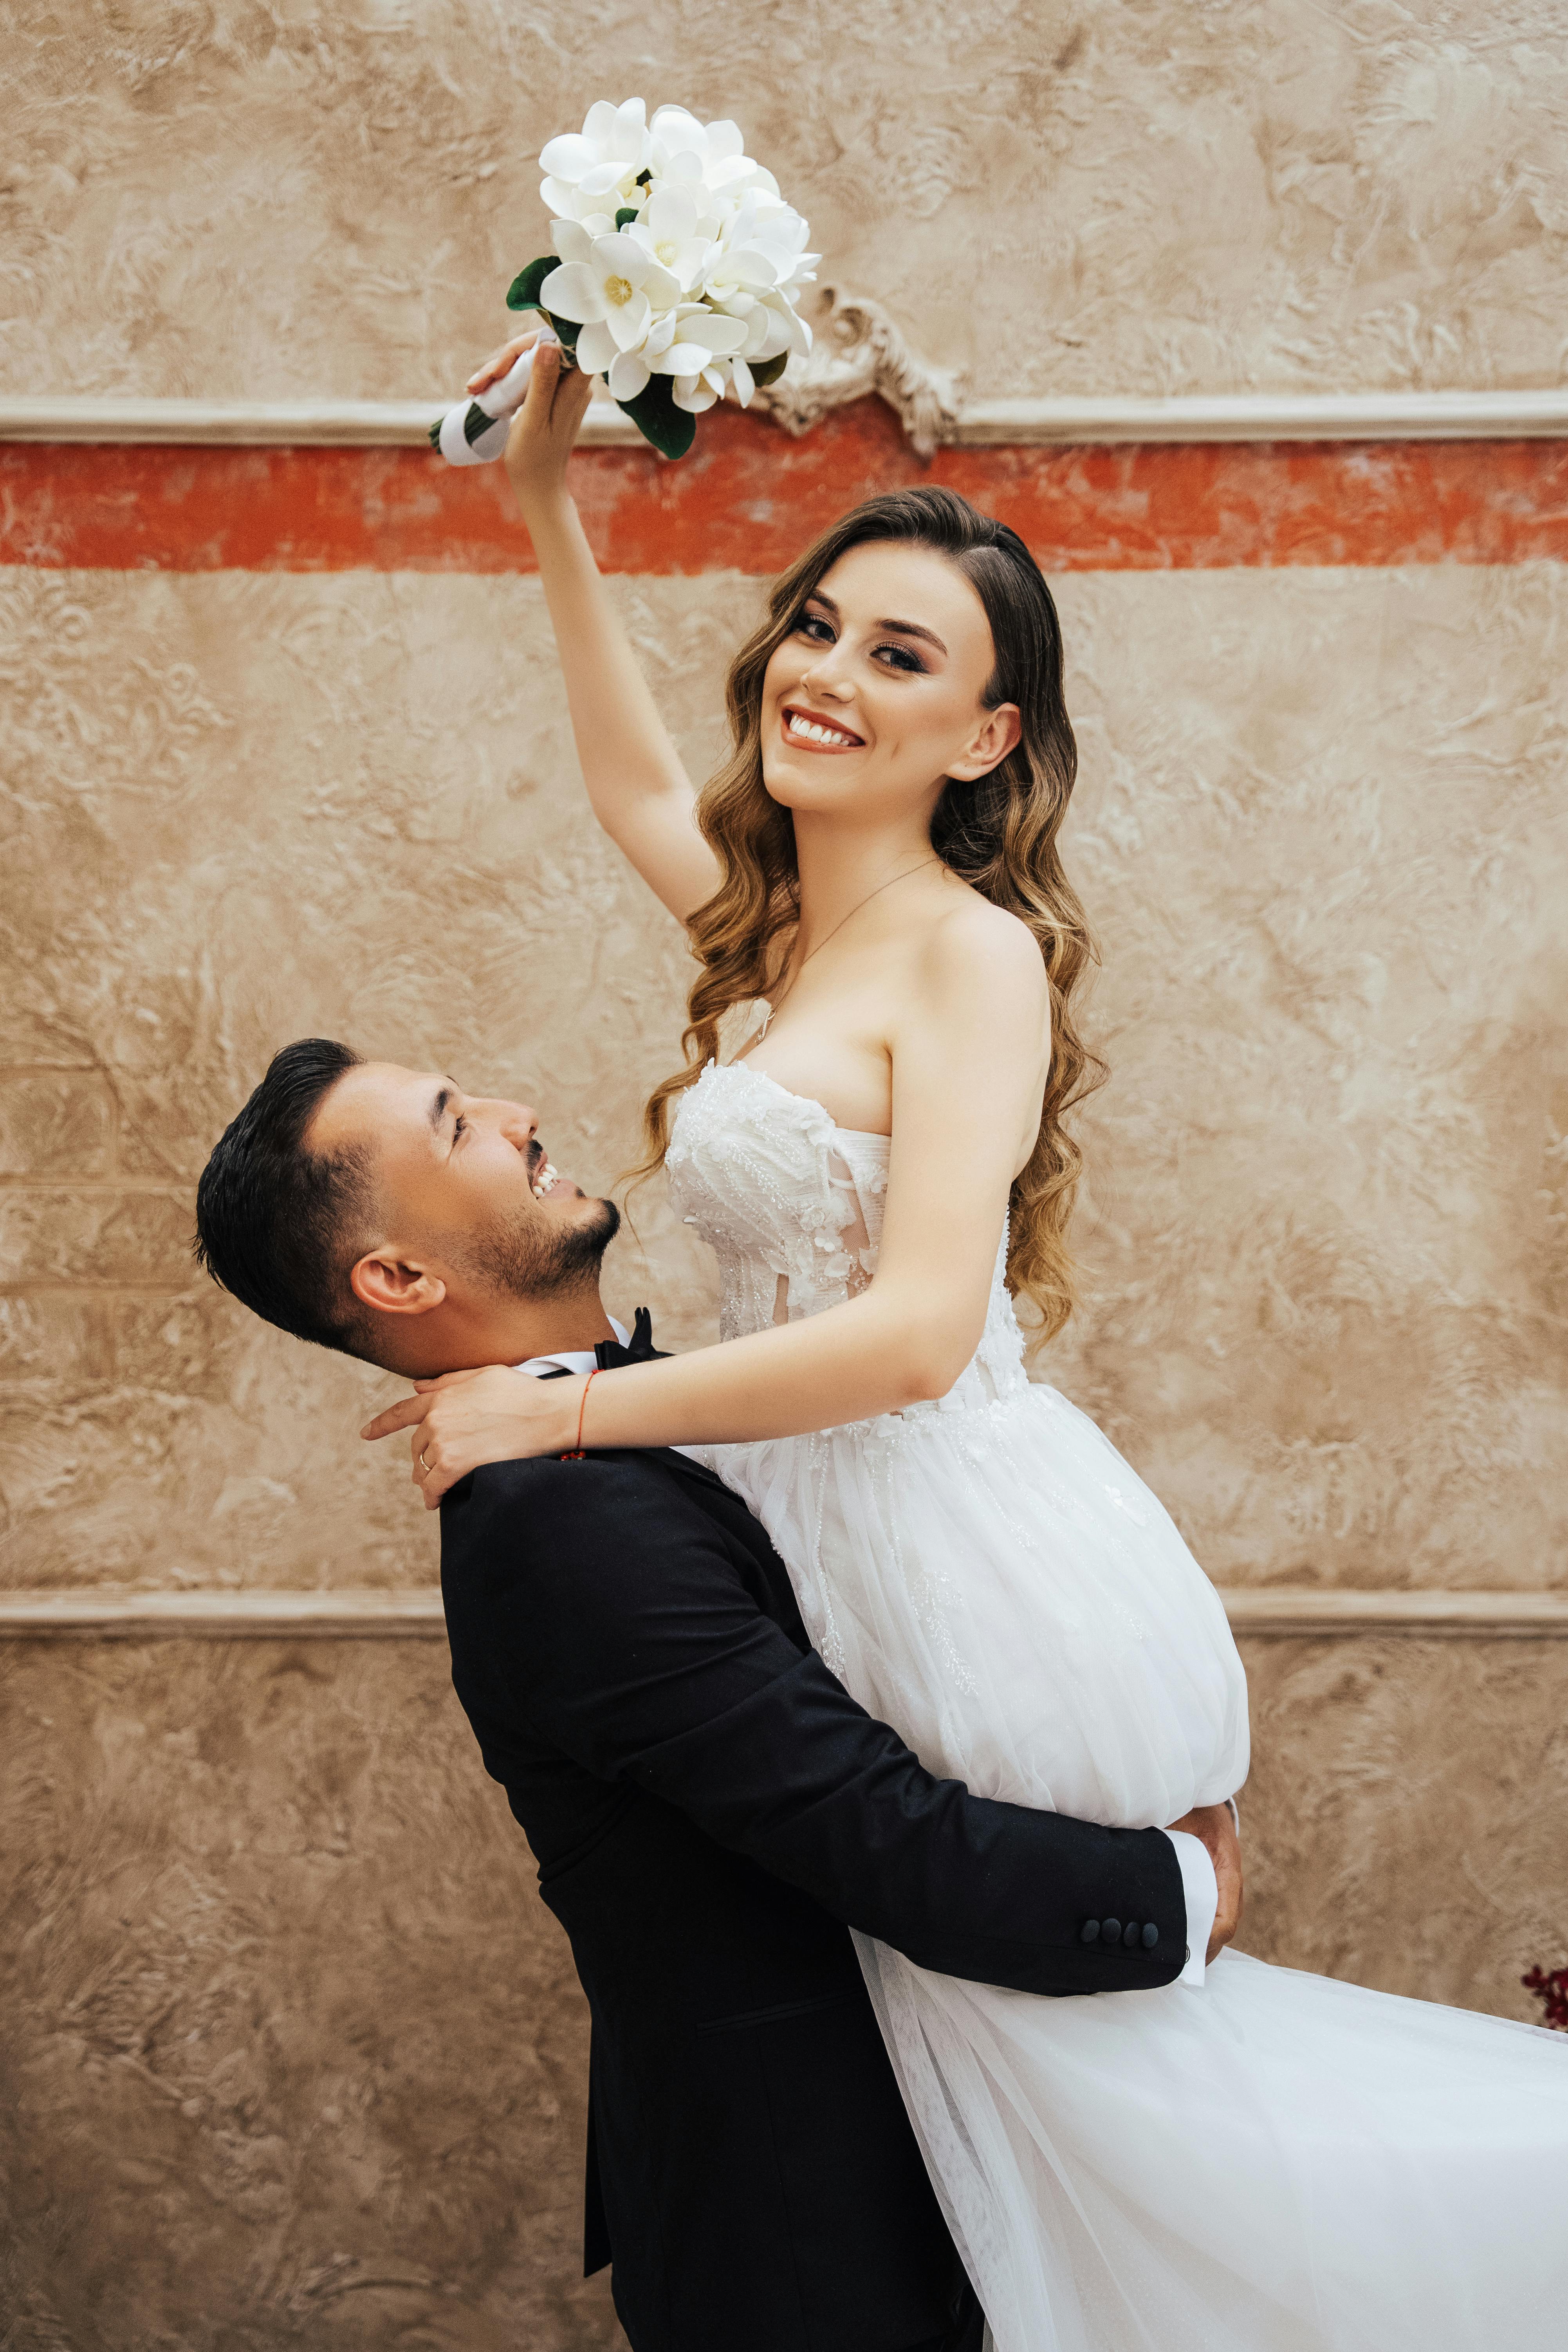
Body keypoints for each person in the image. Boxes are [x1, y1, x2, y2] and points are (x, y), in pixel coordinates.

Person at [363, 330, 1568, 2352]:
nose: (823, 673)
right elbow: (632, 779)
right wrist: (546, 502)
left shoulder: (970, 952)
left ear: (988, 737)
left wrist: (551, 1420)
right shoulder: (782, 939)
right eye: (815, 627)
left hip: (937, 1530)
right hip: (806, 1531)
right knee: (959, 2102)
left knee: (1070, 2089)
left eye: (899, 658)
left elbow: (919, 1332)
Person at [193, 1038, 1241, 2352]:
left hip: (918, 2158)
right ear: (398, 1277)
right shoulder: (554, 1529)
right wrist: (1178, 1893)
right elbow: (874, 1833)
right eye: (456, 1122)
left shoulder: (635, 1420)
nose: (518, 1113)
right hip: (808, 2235)